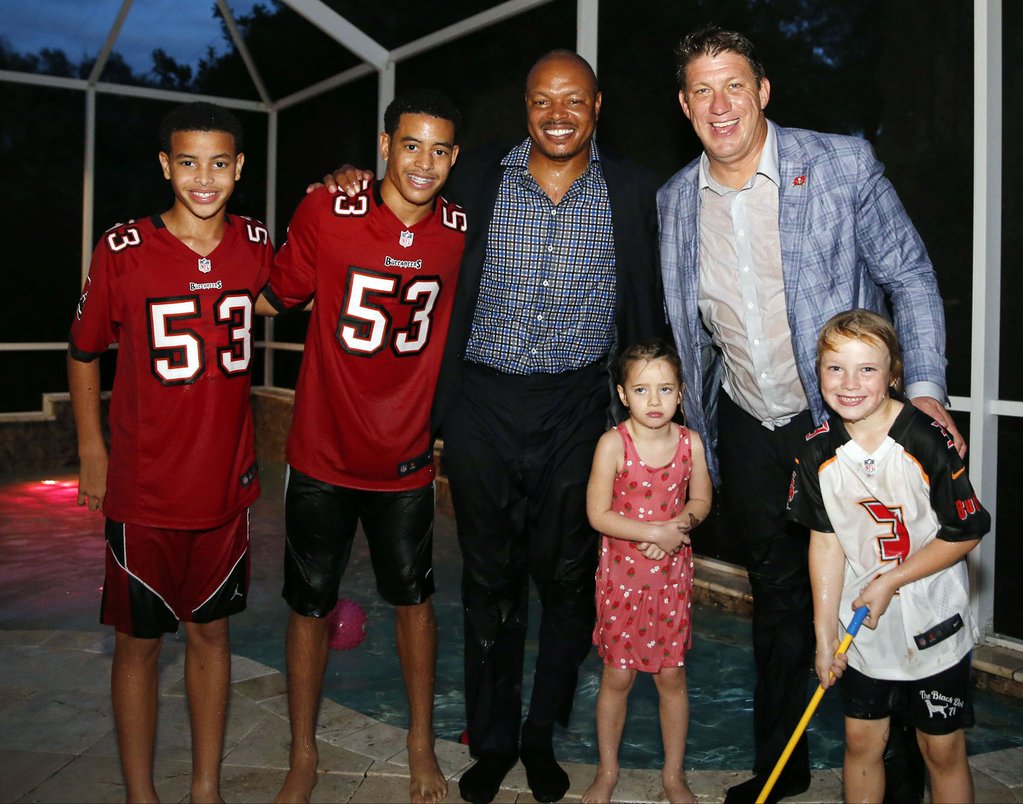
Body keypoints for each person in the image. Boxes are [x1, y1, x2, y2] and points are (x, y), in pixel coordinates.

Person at [319, 50, 666, 803]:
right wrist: (348, 180)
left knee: (568, 583)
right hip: (480, 406)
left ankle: (541, 738)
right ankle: (494, 740)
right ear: (525, 107)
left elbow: (649, 309)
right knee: (488, 581)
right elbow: (397, 197)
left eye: (573, 101)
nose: (559, 115)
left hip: (579, 409)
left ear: (597, 105)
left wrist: (655, 430)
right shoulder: (473, 177)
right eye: (543, 101)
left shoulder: (634, 191)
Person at [657, 25, 963, 804]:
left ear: (763, 92)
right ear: (684, 105)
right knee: (779, 602)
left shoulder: (839, 164)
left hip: (841, 424)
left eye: (734, 85)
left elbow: (912, 274)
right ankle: (780, 771)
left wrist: (923, 388)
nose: (719, 104)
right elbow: (690, 333)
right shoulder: (672, 202)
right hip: (746, 424)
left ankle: (898, 781)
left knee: (874, 584)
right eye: (701, 89)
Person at [255, 90, 465, 804]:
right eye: (411, 145)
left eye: (439, 150)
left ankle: (419, 749)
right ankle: (303, 754)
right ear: (384, 146)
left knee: (416, 603)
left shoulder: (464, 230)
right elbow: (272, 298)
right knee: (308, 606)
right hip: (321, 452)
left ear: (455, 158)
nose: (424, 163)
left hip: (406, 458)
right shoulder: (327, 210)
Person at [67, 101, 272, 803]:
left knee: (212, 638)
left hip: (224, 489)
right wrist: (93, 449)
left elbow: (310, 275)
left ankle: (206, 789)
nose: (204, 178)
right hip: (145, 488)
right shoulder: (123, 250)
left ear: (239, 168)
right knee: (139, 645)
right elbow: (83, 350)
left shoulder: (255, 244)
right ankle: (140, 794)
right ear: (166, 166)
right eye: (188, 162)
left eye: (219, 163)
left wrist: (337, 190)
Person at [786, 309, 990, 803]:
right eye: (835, 368)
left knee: (940, 749)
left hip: (932, 621)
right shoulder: (815, 453)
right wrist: (823, 635)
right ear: (817, 373)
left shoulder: (926, 438)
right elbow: (826, 541)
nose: (850, 383)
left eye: (867, 369)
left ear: (893, 373)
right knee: (861, 741)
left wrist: (891, 581)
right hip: (863, 628)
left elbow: (966, 532)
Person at [581, 339, 712, 804]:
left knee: (671, 678)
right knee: (617, 676)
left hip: (670, 583)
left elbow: (700, 500)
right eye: (641, 390)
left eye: (665, 390)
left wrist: (679, 526)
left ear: (680, 393)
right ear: (622, 394)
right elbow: (598, 513)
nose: (654, 402)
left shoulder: (690, 444)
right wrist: (653, 532)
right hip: (622, 583)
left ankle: (674, 776)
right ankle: (607, 771)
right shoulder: (613, 445)